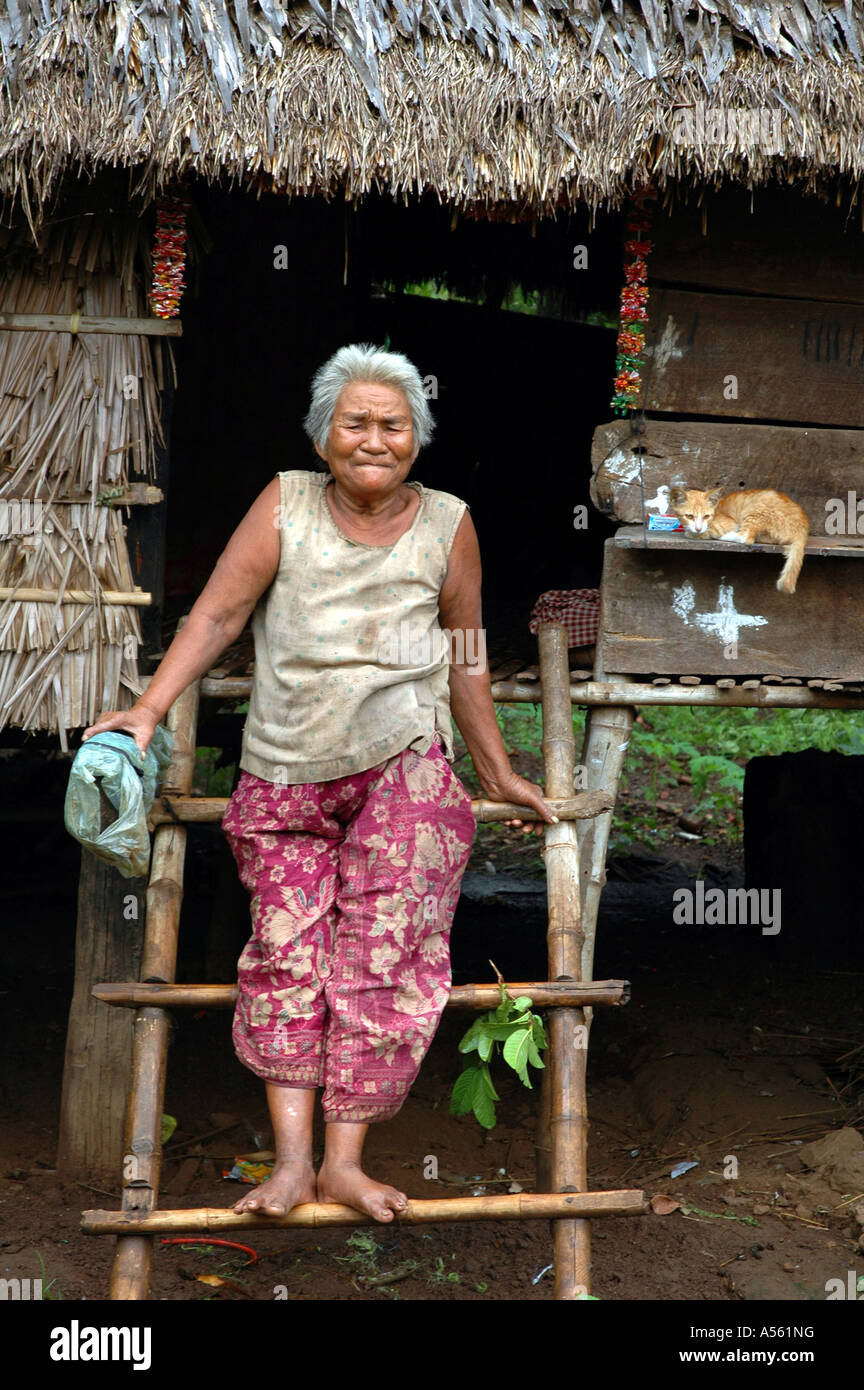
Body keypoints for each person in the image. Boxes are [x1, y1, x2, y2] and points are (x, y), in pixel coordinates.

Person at [83, 343, 556, 1223]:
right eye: (356, 423)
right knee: (283, 958)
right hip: (284, 770)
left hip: (404, 763)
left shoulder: (447, 521)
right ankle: (292, 1164)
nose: (374, 439)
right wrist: (146, 710)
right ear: (322, 434)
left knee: (384, 954)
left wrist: (495, 768)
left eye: (394, 425)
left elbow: (465, 653)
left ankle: (346, 1161)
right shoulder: (285, 503)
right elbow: (220, 612)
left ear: (418, 437)